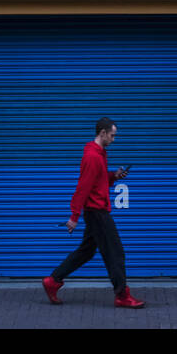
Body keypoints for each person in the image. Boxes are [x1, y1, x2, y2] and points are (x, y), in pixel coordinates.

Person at [42, 116, 145, 308]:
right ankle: (122, 295)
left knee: (86, 252)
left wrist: (113, 175)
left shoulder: (100, 154)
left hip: (96, 210)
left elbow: (98, 180)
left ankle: (53, 281)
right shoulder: (92, 156)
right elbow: (83, 187)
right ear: (103, 133)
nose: (114, 140)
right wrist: (74, 217)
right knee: (115, 253)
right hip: (97, 212)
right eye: (112, 136)